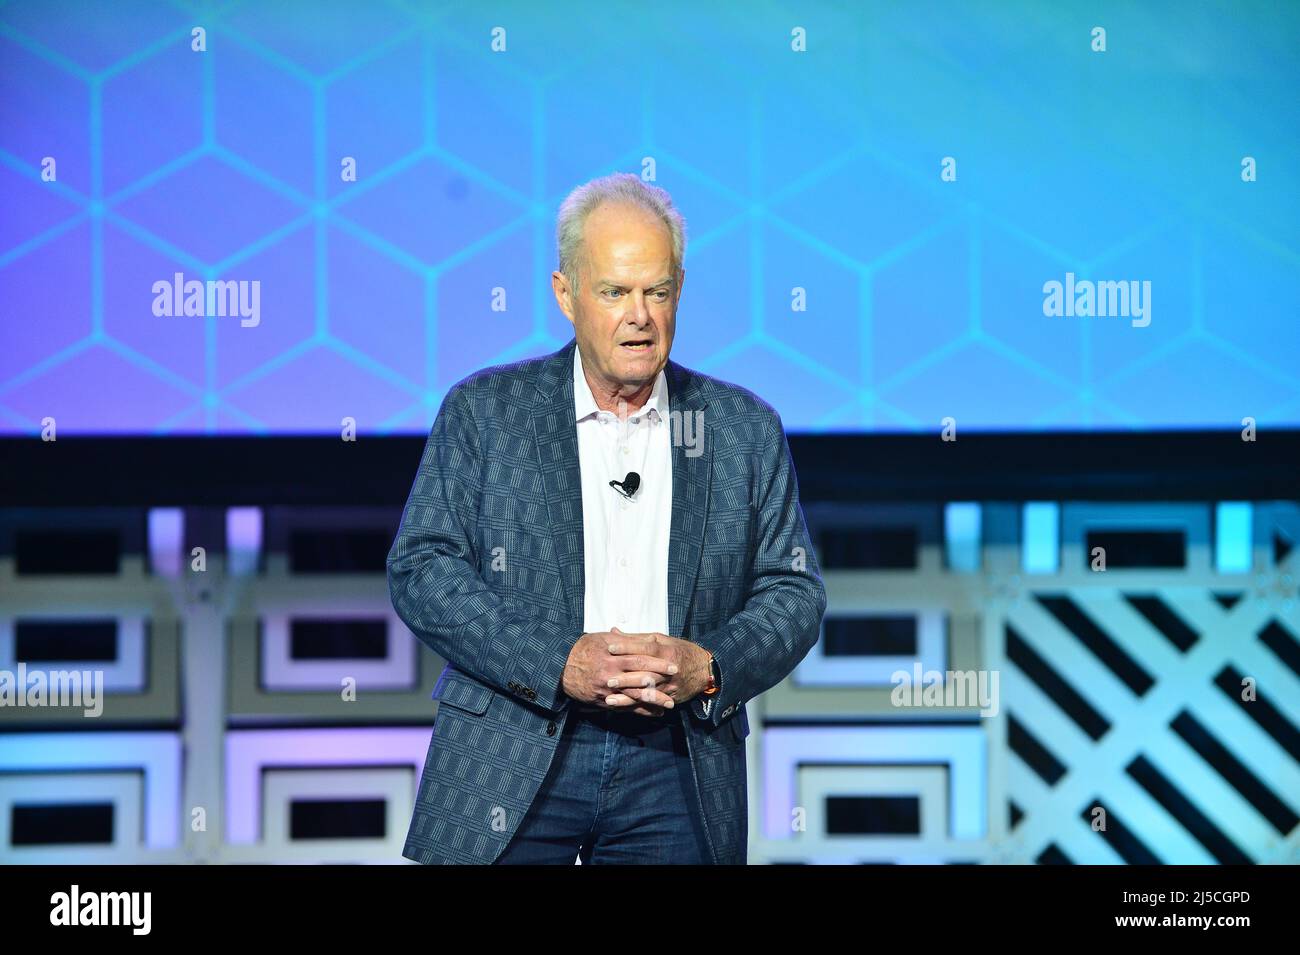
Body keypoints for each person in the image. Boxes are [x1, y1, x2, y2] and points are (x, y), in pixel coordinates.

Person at [387, 172, 826, 864]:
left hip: (674, 762)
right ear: (566, 294)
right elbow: (421, 568)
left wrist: (707, 667)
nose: (639, 316)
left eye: (656, 291)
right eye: (615, 292)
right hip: (514, 739)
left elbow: (794, 593)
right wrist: (557, 662)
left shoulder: (741, 429)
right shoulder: (486, 413)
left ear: (679, 289)